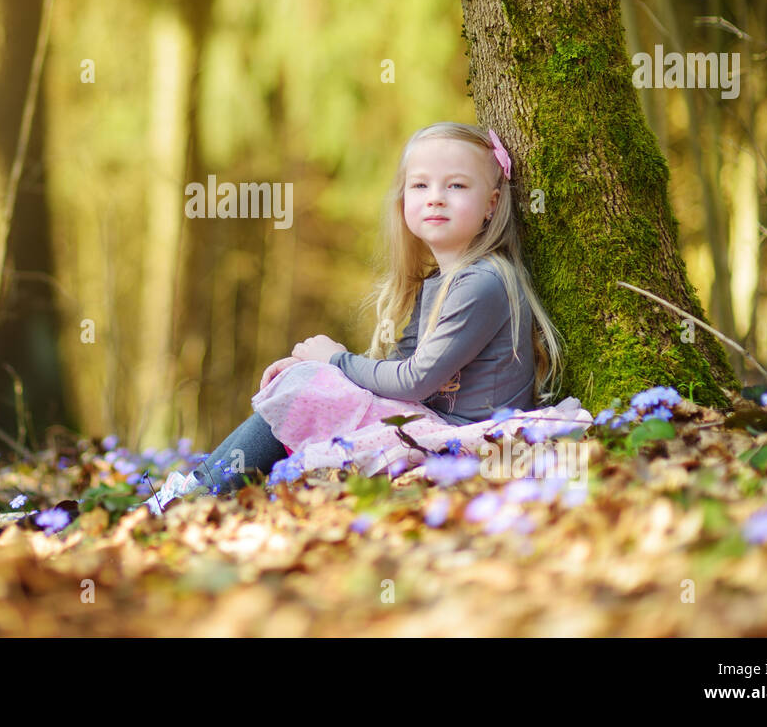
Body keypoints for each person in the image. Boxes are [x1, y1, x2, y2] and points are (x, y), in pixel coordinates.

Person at [145, 121, 569, 514]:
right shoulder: (440, 282)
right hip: (436, 426)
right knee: (309, 383)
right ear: (404, 198)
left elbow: (413, 381)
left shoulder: (484, 281)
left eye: (456, 185)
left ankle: (194, 495)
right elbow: (403, 370)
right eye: (420, 185)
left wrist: (334, 361)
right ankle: (194, 491)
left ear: (492, 204)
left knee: (308, 388)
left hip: (468, 441)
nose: (435, 196)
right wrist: (321, 368)